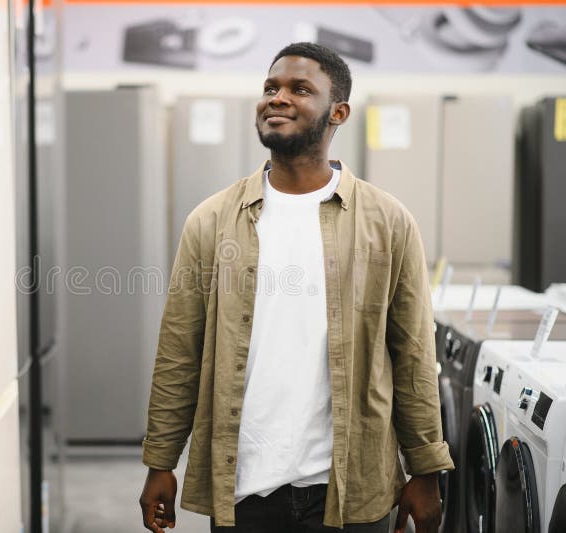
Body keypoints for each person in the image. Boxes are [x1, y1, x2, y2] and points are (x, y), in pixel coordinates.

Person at [138, 42, 454, 533]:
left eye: (300, 89)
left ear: (338, 112)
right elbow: (180, 349)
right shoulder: (212, 221)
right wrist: (161, 460)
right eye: (270, 87)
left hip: (352, 488)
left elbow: (413, 352)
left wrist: (426, 467)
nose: (277, 98)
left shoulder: (387, 222)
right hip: (245, 486)